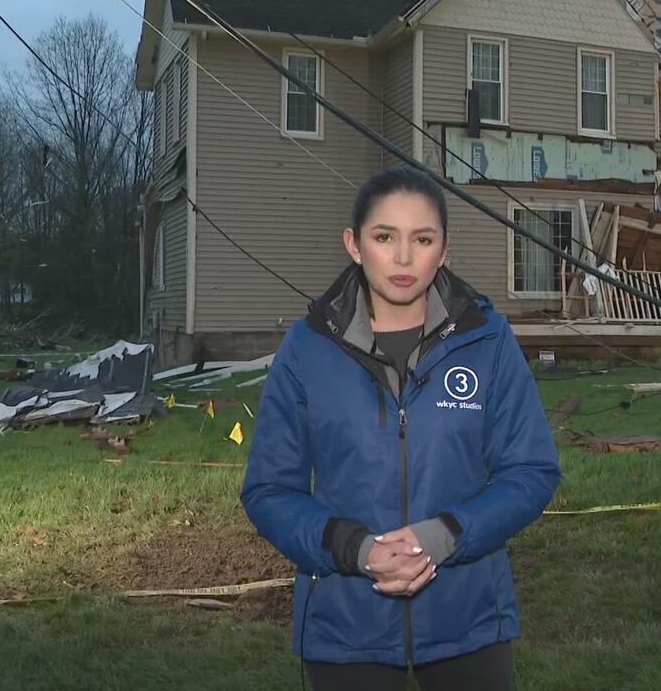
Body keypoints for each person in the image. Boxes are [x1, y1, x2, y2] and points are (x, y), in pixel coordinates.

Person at [241, 166, 562, 690]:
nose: (404, 258)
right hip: (346, 624)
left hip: (468, 617)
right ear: (354, 244)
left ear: (445, 250)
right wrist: (354, 548)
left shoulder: (487, 340)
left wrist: (447, 534)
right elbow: (270, 489)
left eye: (423, 239)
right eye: (385, 237)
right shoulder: (306, 348)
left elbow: (531, 471)